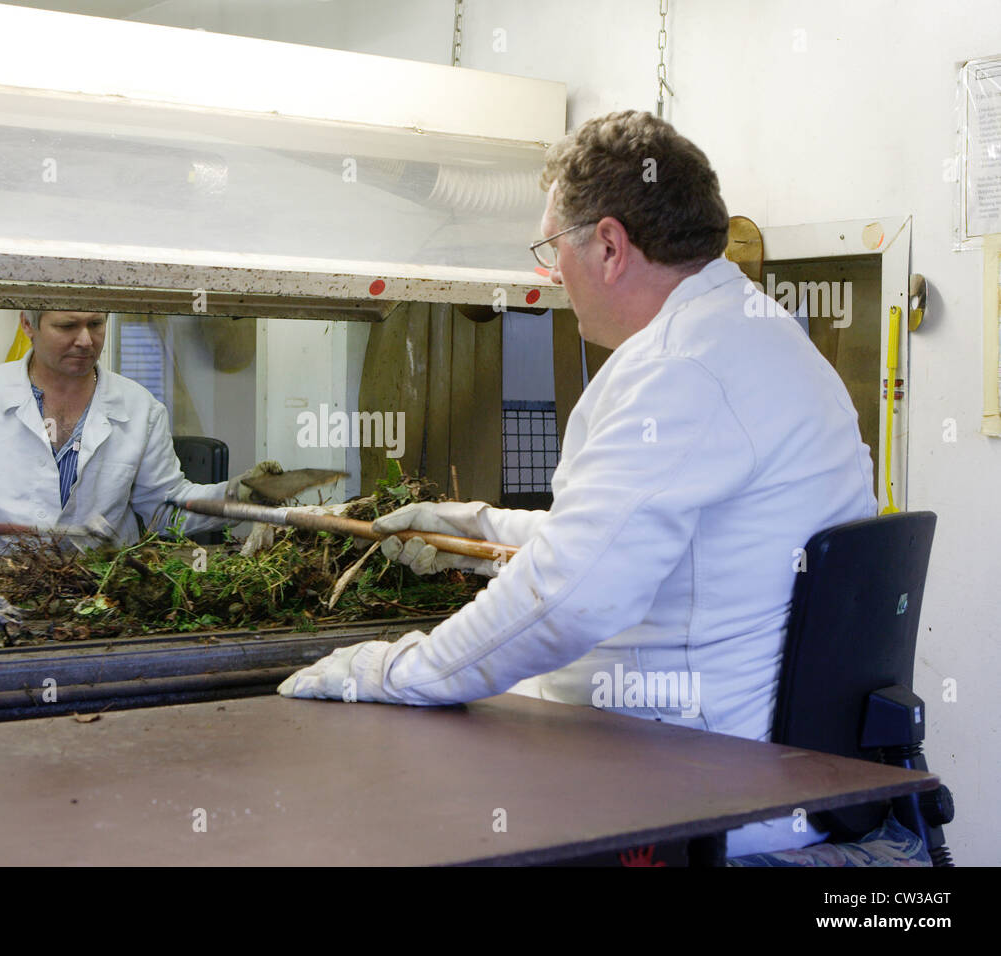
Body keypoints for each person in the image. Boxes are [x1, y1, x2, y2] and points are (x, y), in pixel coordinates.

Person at [277, 110, 877, 857]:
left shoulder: (680, 368)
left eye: (551, 247)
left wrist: (395, 669)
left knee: (397, 774)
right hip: (739, 756)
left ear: (609, 245)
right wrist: (478, 532)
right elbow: (629, 536)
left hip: (698, 787)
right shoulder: (754, 331)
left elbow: (573, 594)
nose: (548, 272)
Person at [0, 310, 278, 555]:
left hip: (101, 593)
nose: (85, 340)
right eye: (67, 326)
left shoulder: (139, 408)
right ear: (28, 324)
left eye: (96, 324)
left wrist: (233, 497)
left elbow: (163, 510)